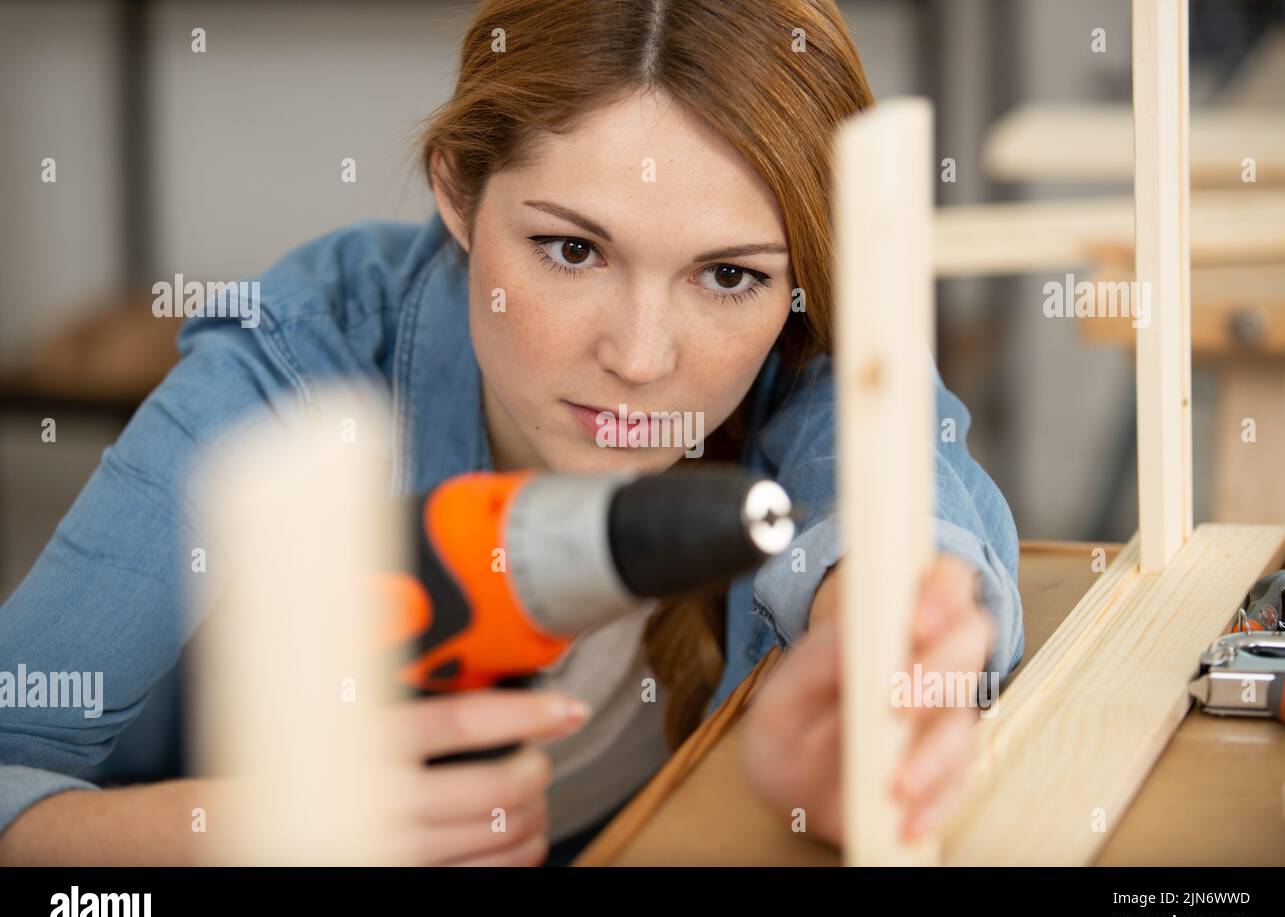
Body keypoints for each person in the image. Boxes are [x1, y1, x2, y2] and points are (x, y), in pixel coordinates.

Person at [0, 0, 1023, 865]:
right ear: (456, 191)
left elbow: (904, 517)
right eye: (571, 249)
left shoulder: (816, 354)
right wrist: (261, 828)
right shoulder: (300, 360)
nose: (638, 355)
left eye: (727, 274)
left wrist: (877, 671)